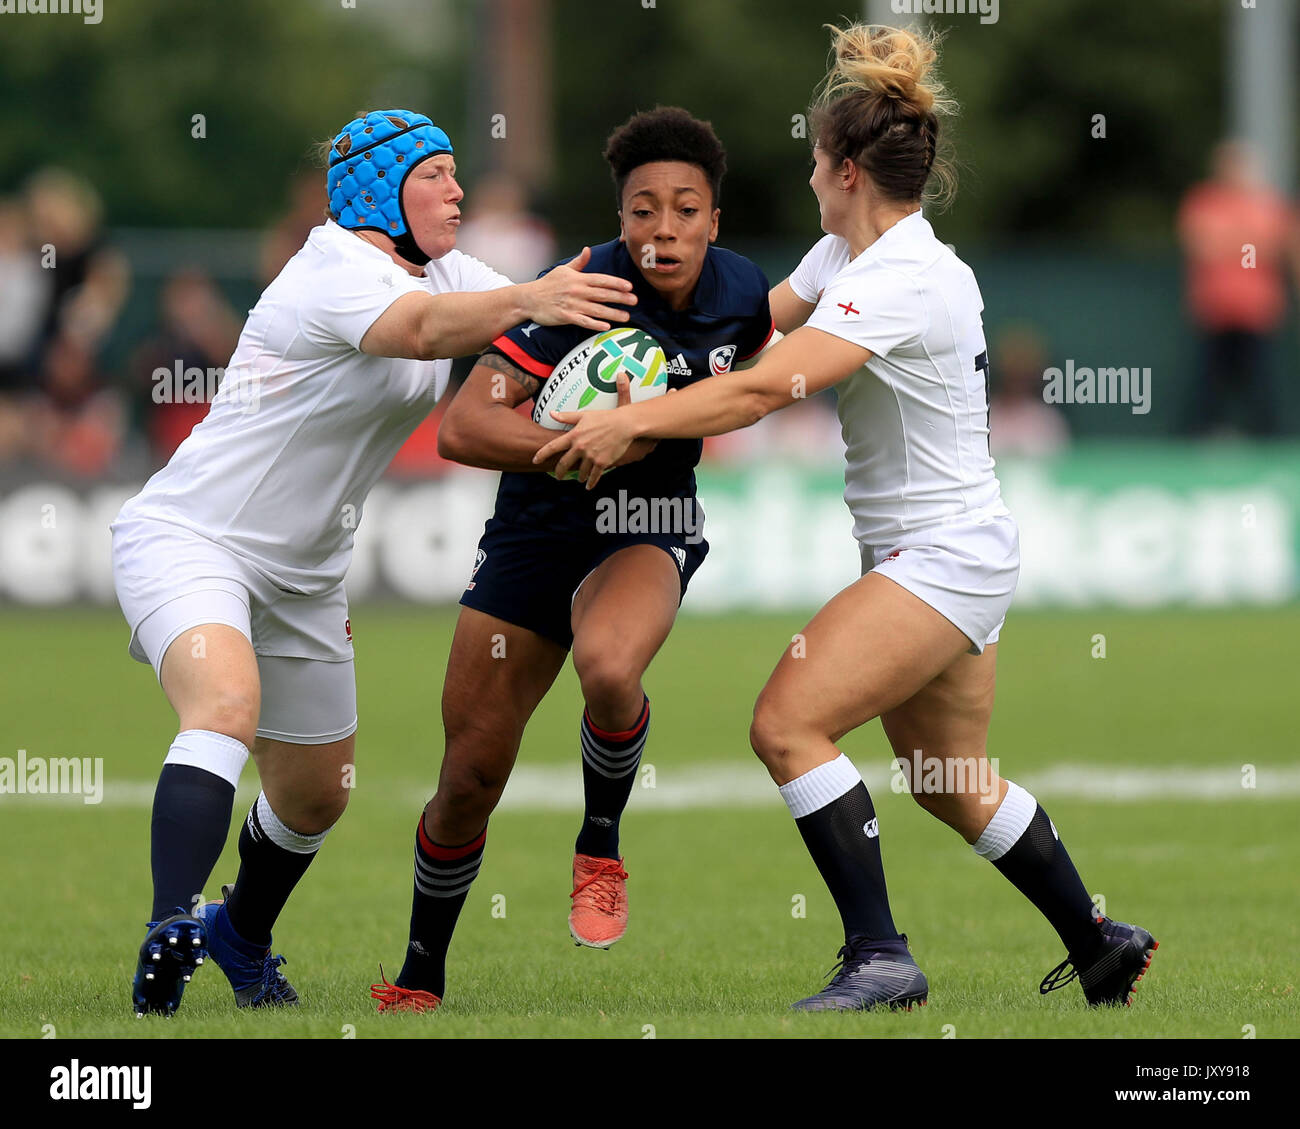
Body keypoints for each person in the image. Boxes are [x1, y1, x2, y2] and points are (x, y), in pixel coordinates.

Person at [536, 26, 1157, 1011]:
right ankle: (1096, 939)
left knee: (787, 722)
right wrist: (620, 322)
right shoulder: (849, 252)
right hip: (946, 551)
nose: (811, 179)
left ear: (849, 170)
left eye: (817, 163)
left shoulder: (904, 277)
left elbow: (764, 389)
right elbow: (745, 339)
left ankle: (879, 955)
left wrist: (630, 421)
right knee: (950, 780)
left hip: (942, 557)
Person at [109, 108, 637, 1018]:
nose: (459, 190)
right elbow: (429, 330)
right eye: (437, 173)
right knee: (225, 709)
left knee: (316, 798)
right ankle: (170, 929)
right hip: (194, 539)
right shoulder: (330, 271)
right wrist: (531, 299)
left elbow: (545, 310)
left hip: (307, 577)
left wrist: (644, 339)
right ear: (378, 189)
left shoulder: (444, 273)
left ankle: (237, 931)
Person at [371, 106, 773, 1013]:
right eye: (642, 211)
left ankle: (600, 846)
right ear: (620, 217)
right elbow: (465, 427)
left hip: (647, 517)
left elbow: (747, 386)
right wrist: (575, 439)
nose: (662, 231)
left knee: (608, 662)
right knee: (470, 773)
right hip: (536, 529)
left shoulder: (745, 296)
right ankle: (420, 976)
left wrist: (644, 439)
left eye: (684, 210)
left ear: (715, 218)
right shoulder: (581, 290)